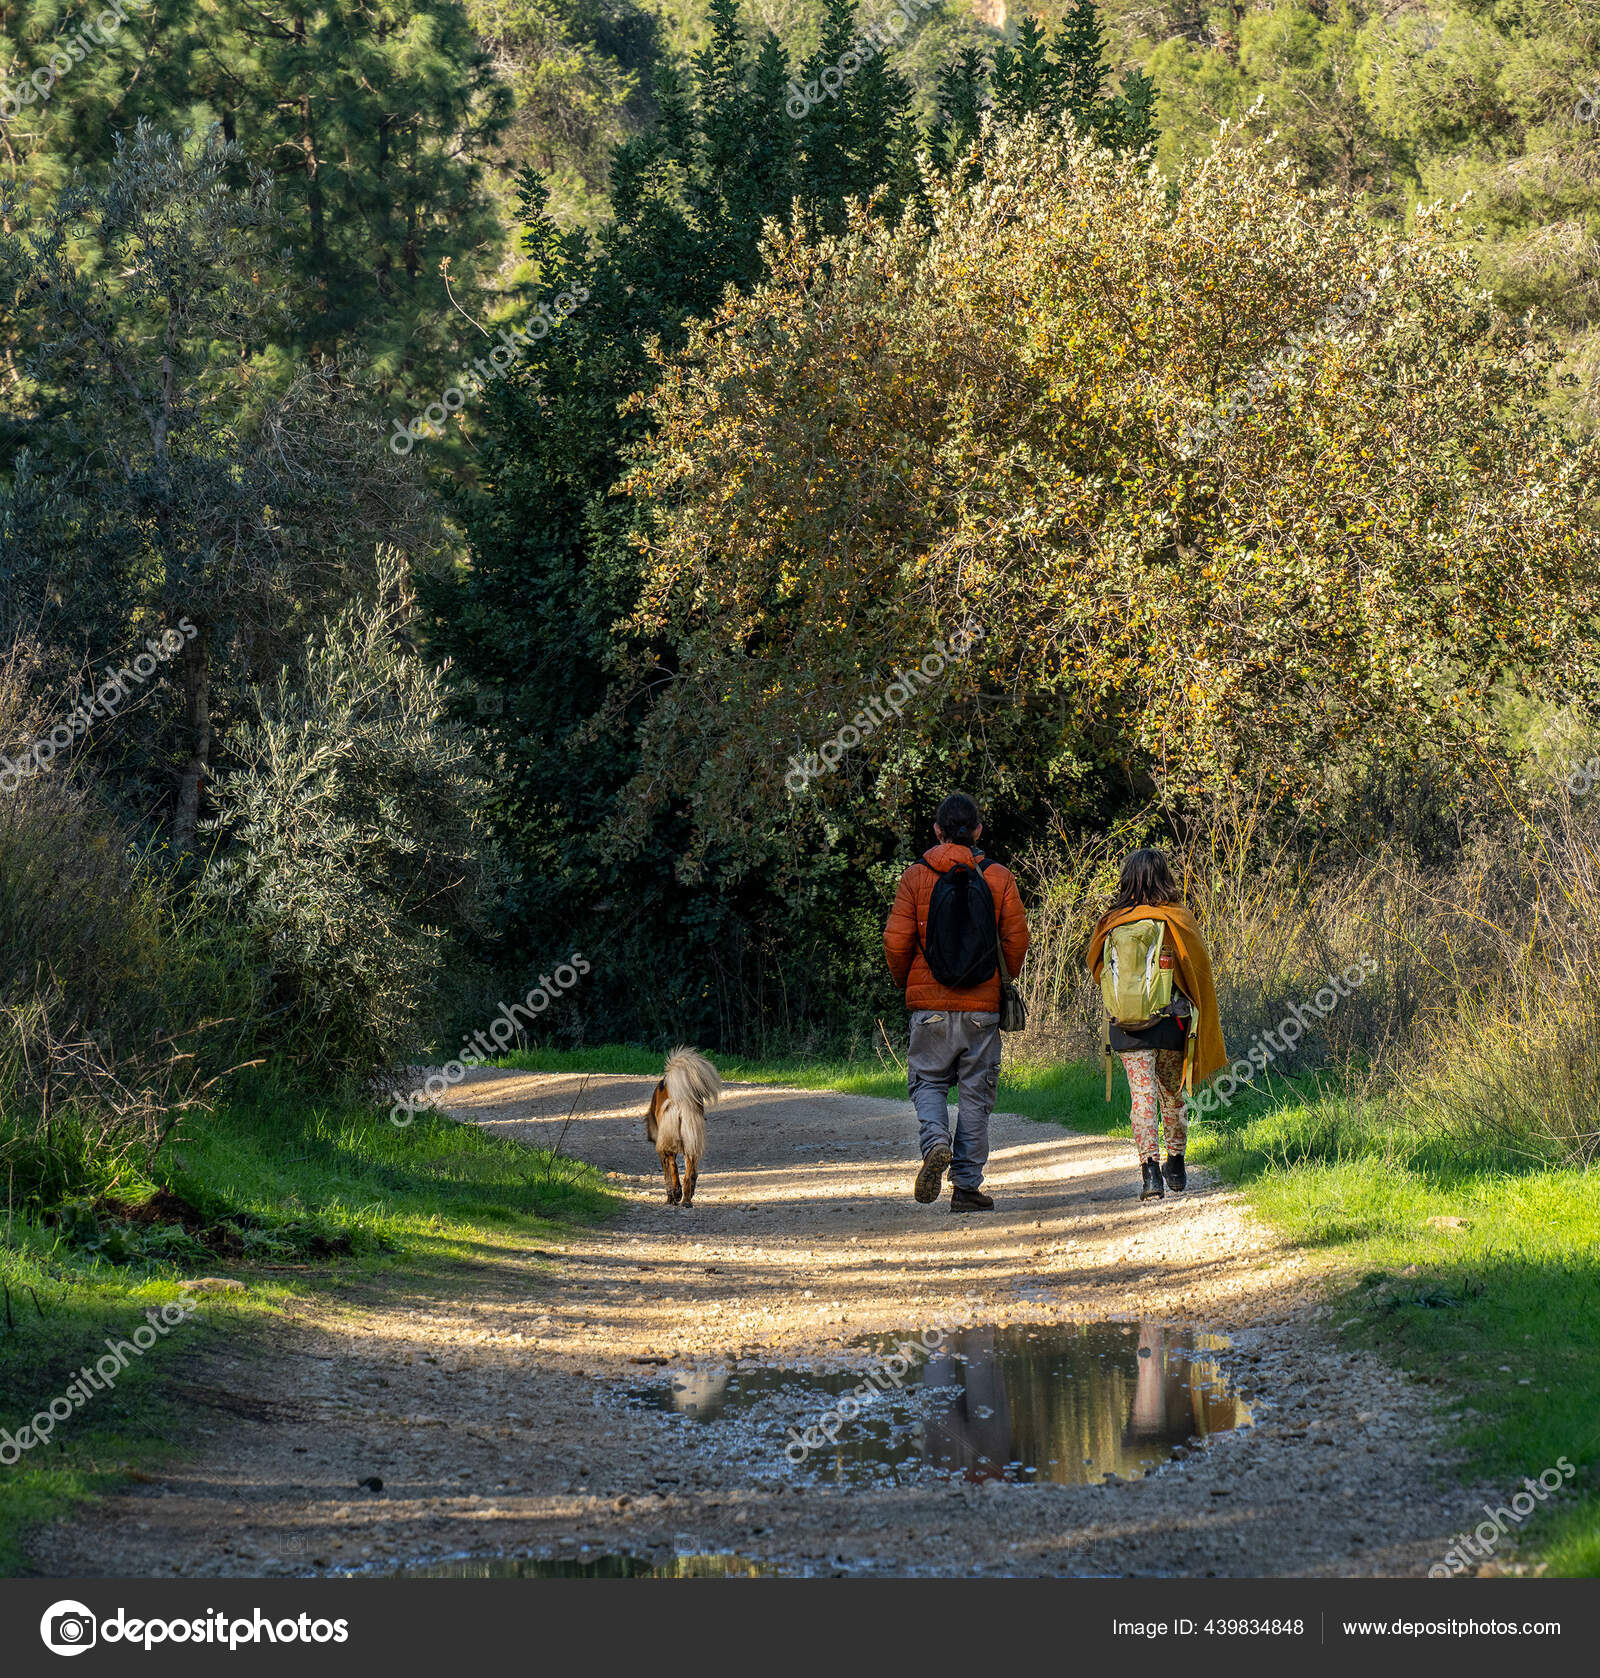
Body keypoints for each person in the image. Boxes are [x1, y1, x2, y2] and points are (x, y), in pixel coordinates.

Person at [884, 792, 1030, 1213]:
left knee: (928, 1081)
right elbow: (1016, 940)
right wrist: (1000, 980)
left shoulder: (916, 876)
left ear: (937, 830)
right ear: (978, 831)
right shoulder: (999, 877)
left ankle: (935, 1141)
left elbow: (896, 941)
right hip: (982, 1010)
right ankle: (966, 1187)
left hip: (928, 1008)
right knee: (975, 1096)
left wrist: (909, 984)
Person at [1086, 848, 1225, 1202]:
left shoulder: (1111, 922)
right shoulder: (1177, 919)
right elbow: (1196, 973)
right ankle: (1175, 1166)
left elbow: (1096, 968)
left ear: (1126, 880)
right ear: (1164, 877)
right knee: (1172, 1096)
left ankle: (1150, 1175)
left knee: (1143, 1097)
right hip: (1170, 1025)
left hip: (1126, 1027)